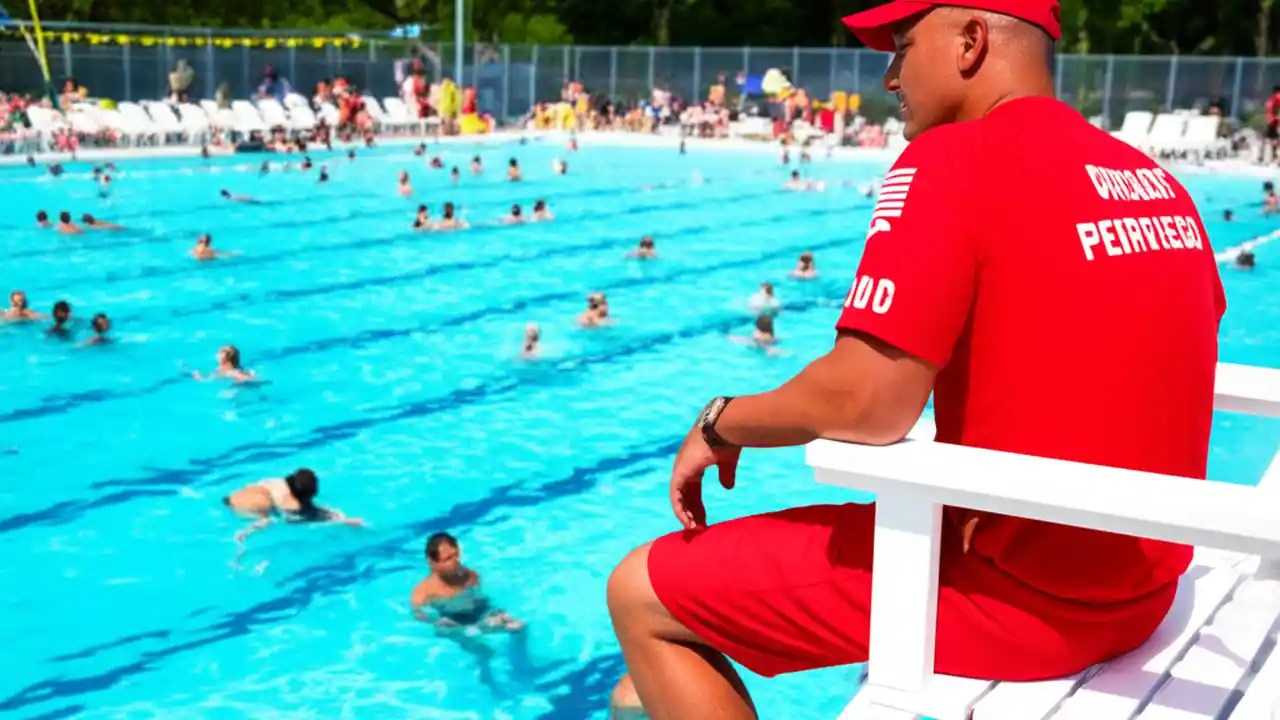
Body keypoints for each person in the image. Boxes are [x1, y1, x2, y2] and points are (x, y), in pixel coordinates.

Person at [605, 2, 1226, 717]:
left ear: (971, 42)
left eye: (902, 47)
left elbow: (868, 403)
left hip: (1022, 604)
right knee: (638, 686)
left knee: (640, 592)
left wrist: (721, 420)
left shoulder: (952, 158)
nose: (891, 77)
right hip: (1145, 593)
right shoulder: (1153, 180)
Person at [410, 532, 524, 631]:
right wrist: (435, 620)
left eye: (456, 555)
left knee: (516, 625)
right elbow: (419, 615)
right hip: (454, 624)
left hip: (480, 614)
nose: (456, 561)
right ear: (432, 562)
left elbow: (481, 599)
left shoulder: (469, 576)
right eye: (448, 559)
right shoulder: (423, 592)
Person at [226, 468, 364, 542]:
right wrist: (343, 520)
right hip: (247, 507)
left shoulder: (278, 482)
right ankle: (243, 534)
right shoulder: (290, 503)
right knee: (267, 521)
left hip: (232, 497)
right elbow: (309, 515)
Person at [1265, 85, 1280, 164]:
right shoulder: (1277, 97)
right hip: (1275, 121)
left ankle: (1272, 158)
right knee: (1275, 140)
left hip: (1270, 121)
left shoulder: (1270, 99)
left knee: (1272, 140)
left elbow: (1268, 110)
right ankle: (1276, 158)